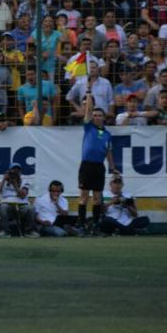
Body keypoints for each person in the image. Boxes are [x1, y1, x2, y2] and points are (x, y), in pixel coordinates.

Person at [77, 87, 118, 232]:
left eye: (99, 115)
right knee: (83, 197)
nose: (96, 117)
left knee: (97, 198)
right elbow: (87, 111)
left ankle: (95, 225)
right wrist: (88, 94)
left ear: (103, 117)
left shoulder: (107, 134)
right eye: (94, 115)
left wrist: (112, 167)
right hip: (87, 165)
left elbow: (108, 152)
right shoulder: (89, 127)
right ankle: (81, 225)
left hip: (99, 167)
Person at [0, 164, 38, 237]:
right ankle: (5, 231)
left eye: (18, 171)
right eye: (13, 171)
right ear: (9, 171)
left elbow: (22, 195)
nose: (15, 173)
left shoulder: (25, 182)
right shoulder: (1, 181)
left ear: (20, 172)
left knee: (31, 208)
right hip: (7, 205)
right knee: (3, 207)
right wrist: (4, 179)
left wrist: (15, 184)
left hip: (21, 206)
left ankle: (30, 231)